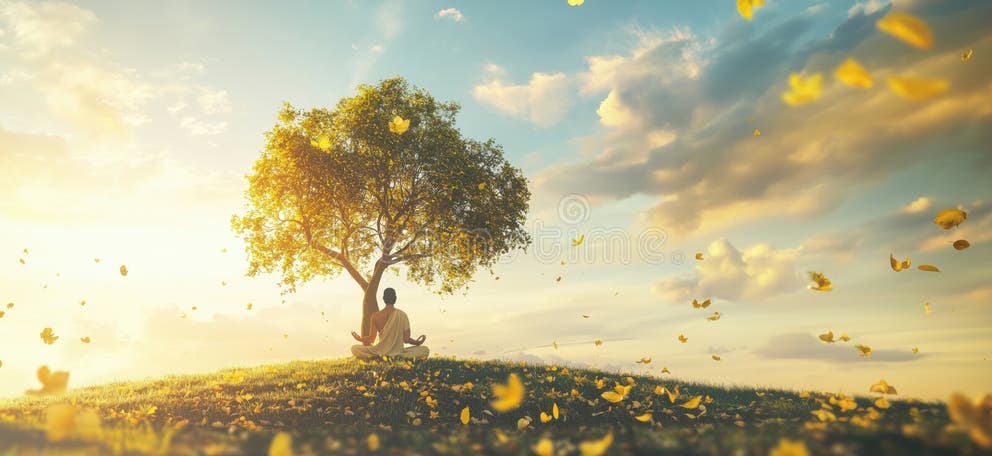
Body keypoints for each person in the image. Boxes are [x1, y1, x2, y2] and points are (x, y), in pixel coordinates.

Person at [350, 287, 429, 360]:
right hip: (398, 352)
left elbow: (371, 339)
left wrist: (359, 338)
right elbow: (406, 339)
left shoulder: (375, 316)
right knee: (425, 350)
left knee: (354, 348)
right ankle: (397, 357)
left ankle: (377, 357)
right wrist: (417, 342)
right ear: (395, 298)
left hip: (378, 351)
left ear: (384, 299)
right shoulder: (402, 315)